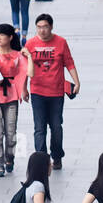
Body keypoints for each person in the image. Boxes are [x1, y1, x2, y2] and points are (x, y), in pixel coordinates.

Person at [25, 13, 79, 169]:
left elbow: (69, 62)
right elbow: (24, 69)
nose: (42, 31)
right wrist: (23, 89)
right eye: (39, 27)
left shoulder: (61, 42)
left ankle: (57, 155)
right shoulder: (30, 44)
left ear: (51, 27)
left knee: (56, 126)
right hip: (37, 91)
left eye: (45, 27)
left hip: (56, 92)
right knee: (39, 127)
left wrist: (76, 81)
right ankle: (42, 159)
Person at [0, 23, 32, 177]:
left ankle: (10, 158)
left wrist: (28, 56)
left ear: (10, 37)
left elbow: (26, 73)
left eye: (2, 35)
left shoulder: (17, 56)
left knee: (11, 133)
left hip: (12, 96)